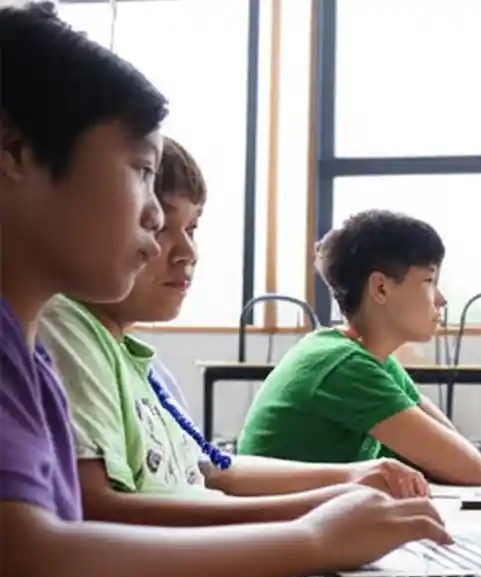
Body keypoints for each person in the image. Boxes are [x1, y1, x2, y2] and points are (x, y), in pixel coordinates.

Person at [0, 4, 447, 577]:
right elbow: (28, 569)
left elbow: (191, 479)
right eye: (141, 172)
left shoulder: (32, 364)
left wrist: (332, 511)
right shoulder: (46, 340)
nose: (156, 220)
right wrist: (311, 538)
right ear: (16, 151)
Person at [38, 137, 430, 527]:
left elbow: (213, 469)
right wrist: (317, 516)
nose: (187, 252)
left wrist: (351, 478)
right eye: (156, 226)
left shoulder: (143, 365)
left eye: (192, 228)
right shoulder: (65, 327)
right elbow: (97, 509)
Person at [237, 210, 481, 486]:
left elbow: (453, 450)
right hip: (282, 514)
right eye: (429, 281)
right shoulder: (343, 365)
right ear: (380, 288)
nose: (441, 299)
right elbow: (471, 469)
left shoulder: (371, 359)